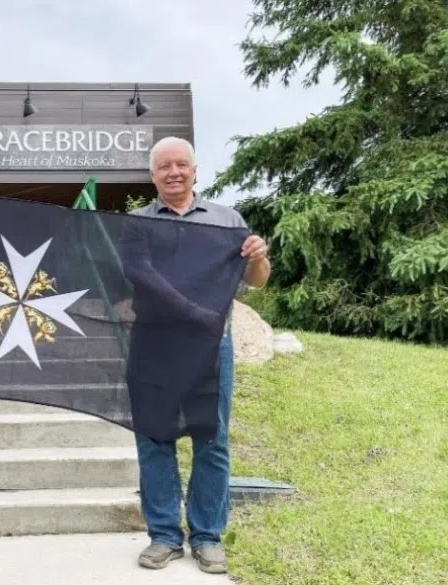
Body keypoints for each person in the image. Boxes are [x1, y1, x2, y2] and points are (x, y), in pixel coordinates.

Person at [123, 136, 270, 574]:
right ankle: (164, 536)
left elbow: (258, 280)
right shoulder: (136, 224)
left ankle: (207, 537)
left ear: (195, 170)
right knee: (154, 438)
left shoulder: (227, 220)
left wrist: (259, 256)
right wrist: (192, 312)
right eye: (164, 166)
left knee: (212, 440)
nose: (173, 172)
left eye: (181, 164)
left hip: (211, 346)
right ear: (152, 176)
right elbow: (139, 278)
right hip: (153, 344)